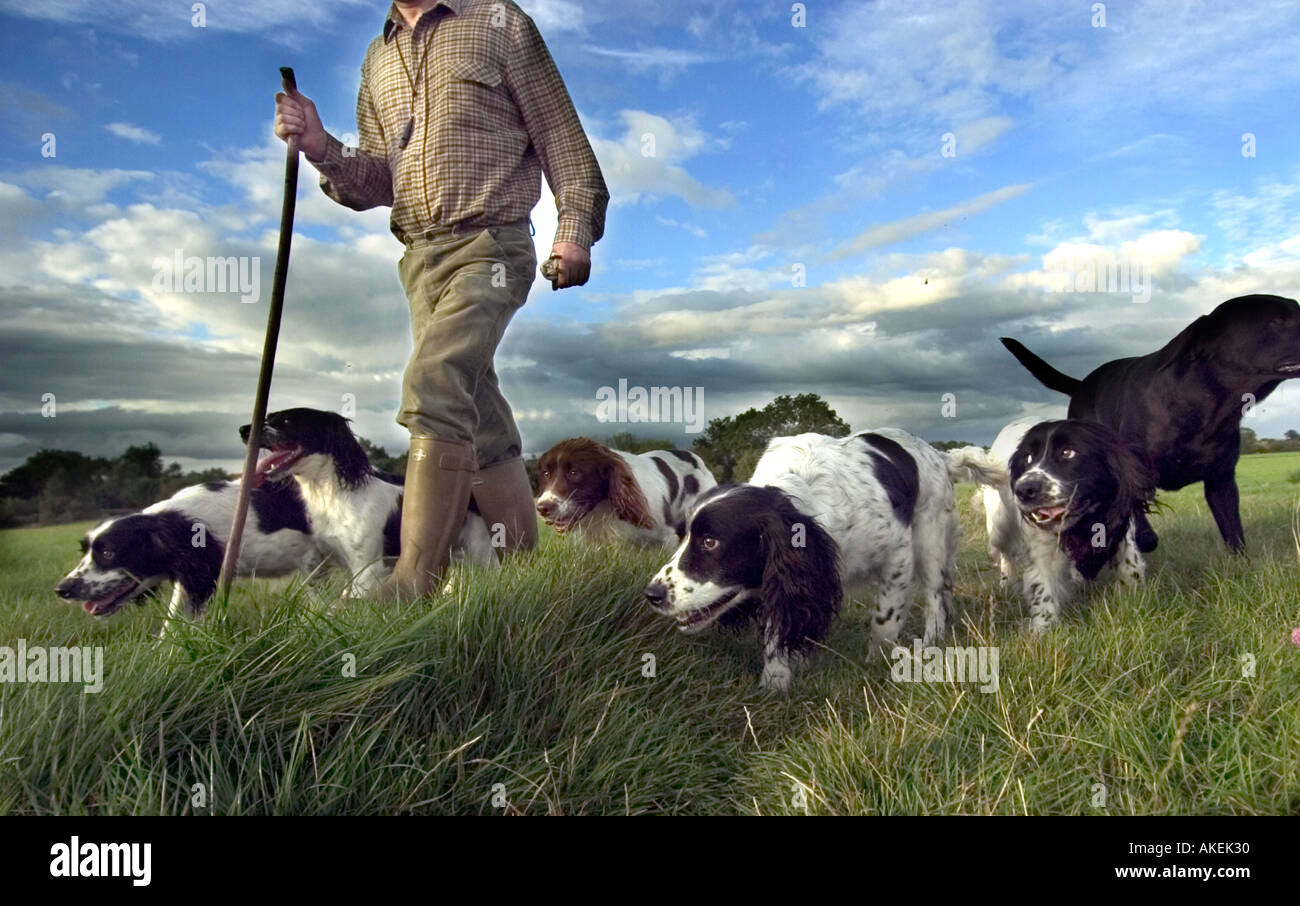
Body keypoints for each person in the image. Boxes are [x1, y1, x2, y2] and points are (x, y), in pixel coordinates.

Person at [274, 0, 608, 597]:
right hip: (419, 260)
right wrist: (322, 145)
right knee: (475, 411)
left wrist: (574, 231)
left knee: (434, 381)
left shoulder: (499, 21)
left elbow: (562, 138)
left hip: (492, 245)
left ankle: (413, 580)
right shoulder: (377, 57)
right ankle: (523, 579)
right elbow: (378, 181)